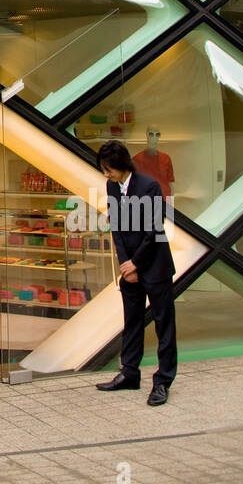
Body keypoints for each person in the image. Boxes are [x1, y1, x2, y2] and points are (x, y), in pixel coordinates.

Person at [95, 140, 177, 406]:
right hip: (129, 265)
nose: (106, 175)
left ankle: (162, 382)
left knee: (164, 324)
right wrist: (126, 263)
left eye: (109, 170)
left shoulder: (149, 186)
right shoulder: (111, 186)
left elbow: (154, 230)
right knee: (132, 322)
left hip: (154, 263)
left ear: (122, 165)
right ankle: (129, 373)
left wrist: (137, 264)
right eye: (104, 170)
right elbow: (116, 227)